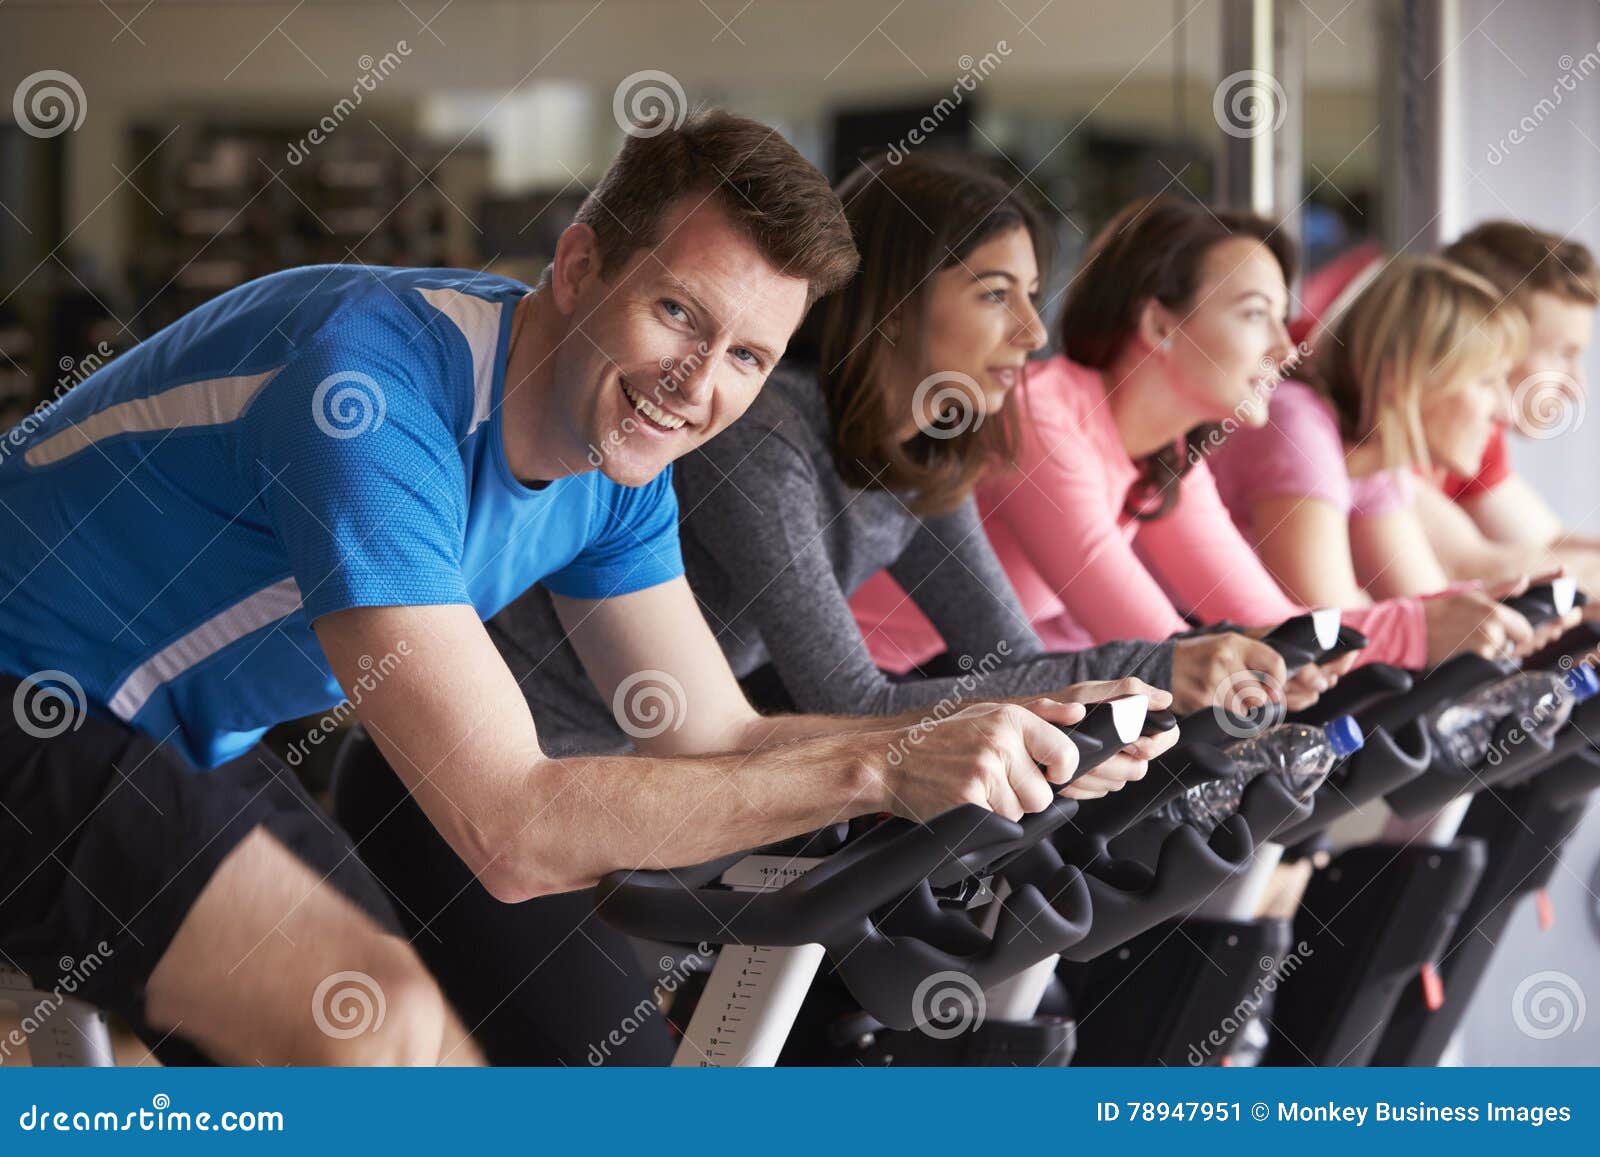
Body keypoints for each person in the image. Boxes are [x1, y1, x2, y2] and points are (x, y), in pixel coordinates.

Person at [0, 110, 1154, 1068]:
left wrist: (980, 741)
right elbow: (512, 826)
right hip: (35, 689)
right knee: (373, 1028)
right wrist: (880, 765)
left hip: (170, 733)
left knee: (432, 1052)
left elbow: (712, 731)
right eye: (677, 315)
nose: (696, 385)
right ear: (579, 262)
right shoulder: (373, 387)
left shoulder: (617, 471)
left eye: (748, 357)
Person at [333, 150, 1220, 1063]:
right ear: (902, 297)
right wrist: (1144, 675)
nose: (1033, 331)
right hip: (479, 790)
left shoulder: (912, 458)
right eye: (997, 293)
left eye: (748, 350)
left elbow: (990, 660)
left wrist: (1060, 718)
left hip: (636, 790)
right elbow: (854, 696)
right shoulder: (756, 438)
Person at [854, 196, 1527, 677]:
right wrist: (1413, 629)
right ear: (1159, 325)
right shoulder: (1041, 415)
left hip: (937, 689)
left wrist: (1461, 614)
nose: (1282, 346)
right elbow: (1163, 646)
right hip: (854, 691)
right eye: (1255, 314)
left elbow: (1267, 618)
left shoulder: (1169, 457)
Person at [1206, 252, 1569, 655]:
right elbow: (1330, 636)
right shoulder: (1297, 428)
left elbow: (1424, 602)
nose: (1504, 409)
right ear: (1405, 379)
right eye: (1485, 381)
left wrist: (1505, 616)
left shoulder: (1373, 462)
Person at [1409, 221, 1600, 588]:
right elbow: (1473, 567)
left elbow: (1545, 544)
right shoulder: (1385, 422)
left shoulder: (1477, 427)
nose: (1578, 388)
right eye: (1562, 354)